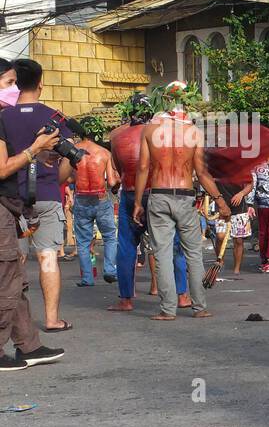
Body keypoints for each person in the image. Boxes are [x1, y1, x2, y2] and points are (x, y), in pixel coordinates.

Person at [133, 99, 229, 320]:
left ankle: (168, 309)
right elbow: (202, 173)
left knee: (162, 254)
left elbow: (143, 167)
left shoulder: (150, 130)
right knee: (194, 254)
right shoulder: (193, 132)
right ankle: (200, 307)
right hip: (185, 196)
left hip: (159, 195)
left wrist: (138, 202)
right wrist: (220, 201)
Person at [0, 59, 74, 332]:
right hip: (46, 195)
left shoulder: (4, 116)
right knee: (48, 257)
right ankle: (52, 319)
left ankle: (18, 324)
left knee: (12, 264)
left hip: (11, 200)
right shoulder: (54, 117)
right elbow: (68, 164)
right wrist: (55, 179)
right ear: (41, 83)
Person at [107, 97, 191, 313]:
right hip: (160, 192)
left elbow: (118, 167)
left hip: (131, 192)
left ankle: (126, 300)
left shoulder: (116, 135)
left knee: (126, 246)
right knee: (172, 244)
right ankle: (182, 295)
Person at [0, 110, 65, 370]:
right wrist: (34, 148)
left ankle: (28, 344)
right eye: (8, 82)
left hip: (9, 206)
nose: (13, 89)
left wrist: (36, 152)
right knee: (6, 280)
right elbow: (2, 169)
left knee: (15, 279)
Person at [68, 120, 119, 287]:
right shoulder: (104, 153)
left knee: (83, 241)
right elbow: (111, 182)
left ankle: (87, 278)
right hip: (101, 198)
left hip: (81, 198)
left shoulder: (73, 151)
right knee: (110, 236)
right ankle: (110, 270)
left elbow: (68, 177)